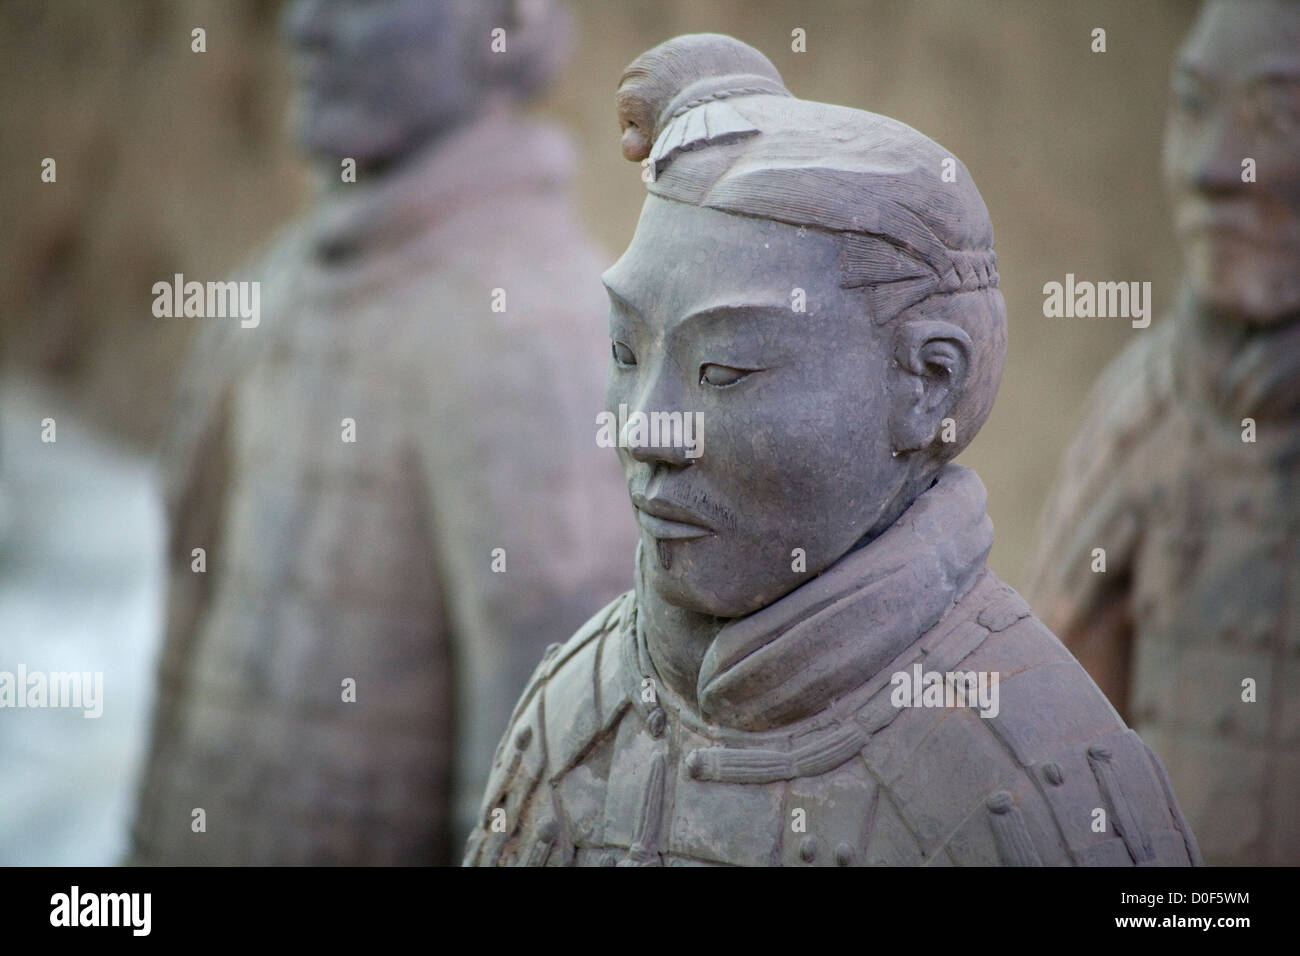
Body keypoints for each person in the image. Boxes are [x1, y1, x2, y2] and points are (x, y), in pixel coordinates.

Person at [464, 33, 1200, 867]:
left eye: (723, 369)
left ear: (927, 382)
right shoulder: (576, 715)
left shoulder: (1035, 786)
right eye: (627, 353)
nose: (644, 429)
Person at [129, 0, 636, 865]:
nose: (305, 27)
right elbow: (178, 653)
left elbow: (543, 816)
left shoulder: (536, 334)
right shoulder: (276, 292)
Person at [1029, 0, 1300, 866]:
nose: (1216, 168)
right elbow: (1056, 740)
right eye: (1192, 107)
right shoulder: (1143, 411)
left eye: (1276, 115)